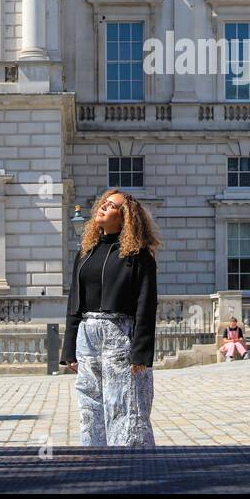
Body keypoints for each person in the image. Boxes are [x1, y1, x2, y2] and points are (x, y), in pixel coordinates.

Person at [60, 190, 160, 448]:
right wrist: (69, 347)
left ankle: (130, 463)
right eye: (103, 202)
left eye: (112, 204)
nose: (103, 206)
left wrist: (141, 353)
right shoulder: (86, 252)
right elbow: (75, 300)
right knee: (89, 404)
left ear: (125, 216)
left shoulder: (139, 256)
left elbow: (146, 305)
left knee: (125, 403)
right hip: (87, 335)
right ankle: (95, 461)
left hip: (120, 333)